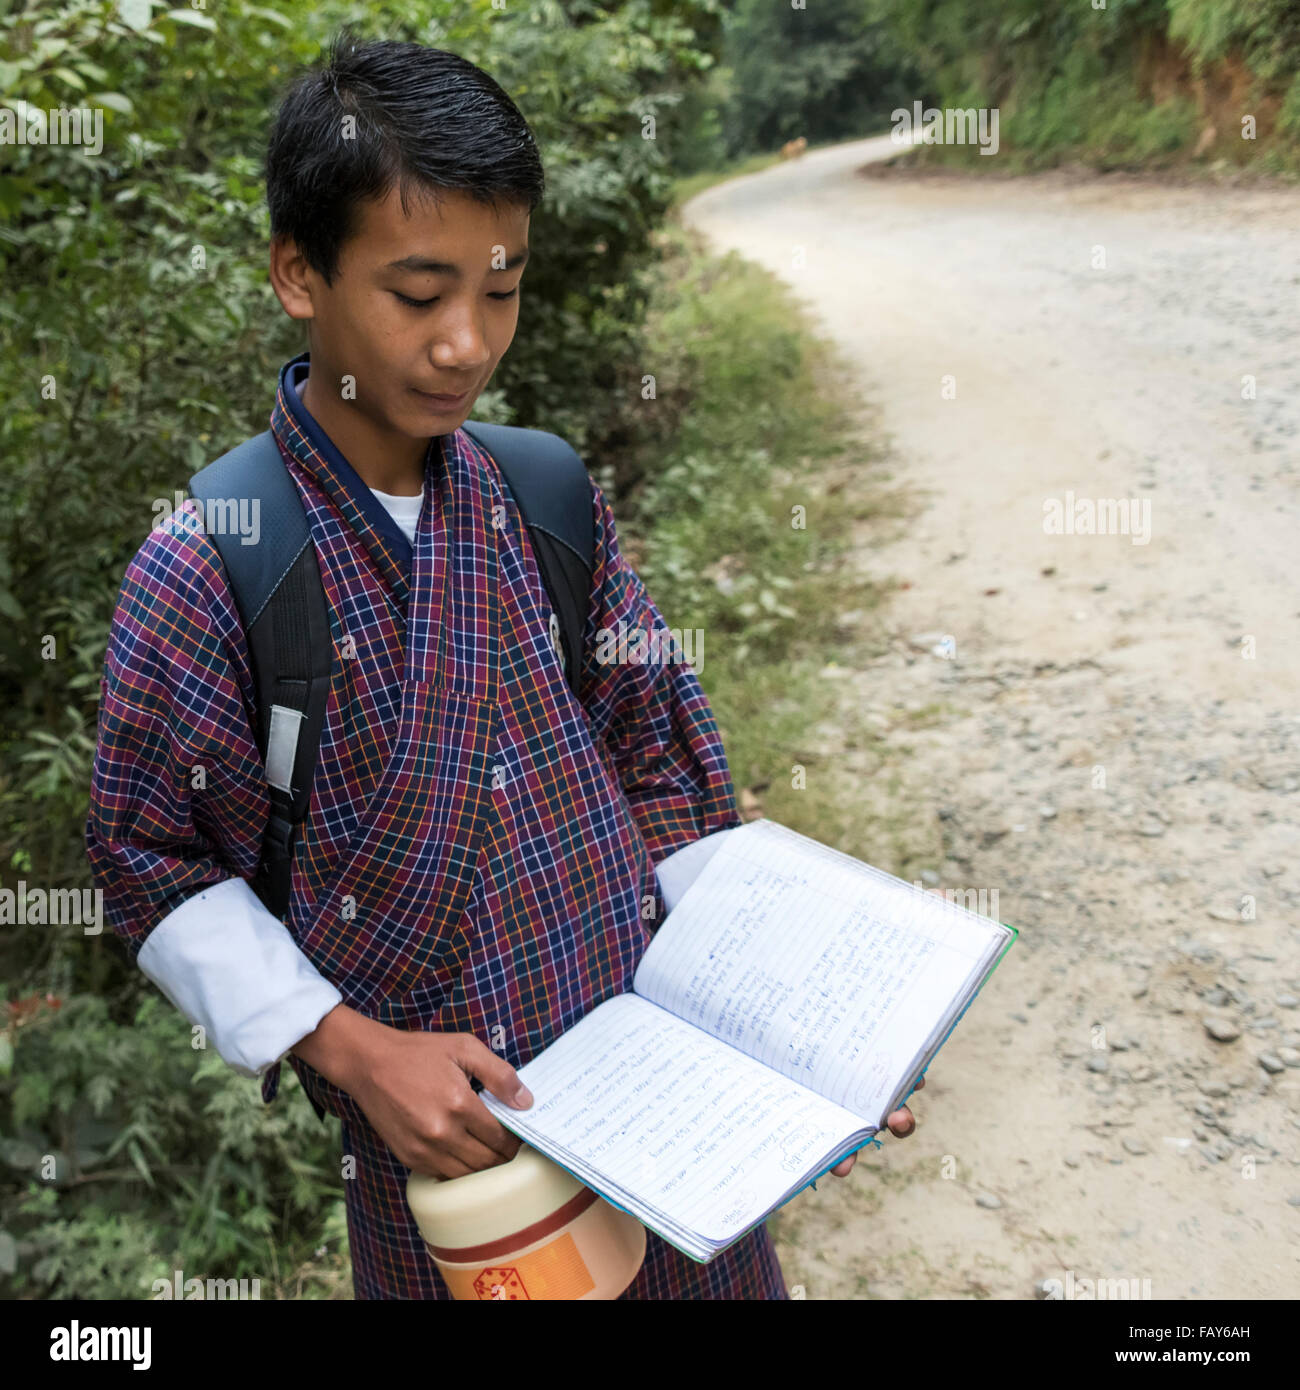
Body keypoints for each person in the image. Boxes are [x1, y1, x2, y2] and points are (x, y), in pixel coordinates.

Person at [85, 33, 920, 1300]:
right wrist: (353, 1050)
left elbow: (659, 762)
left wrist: (797, 1045)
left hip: (668, 1118)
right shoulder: (217, 564)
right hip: (461, 1172)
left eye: (502, 287)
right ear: (297, 272)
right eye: (418, 296)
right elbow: (151, 856)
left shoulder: (540, 496)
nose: (467, 344)